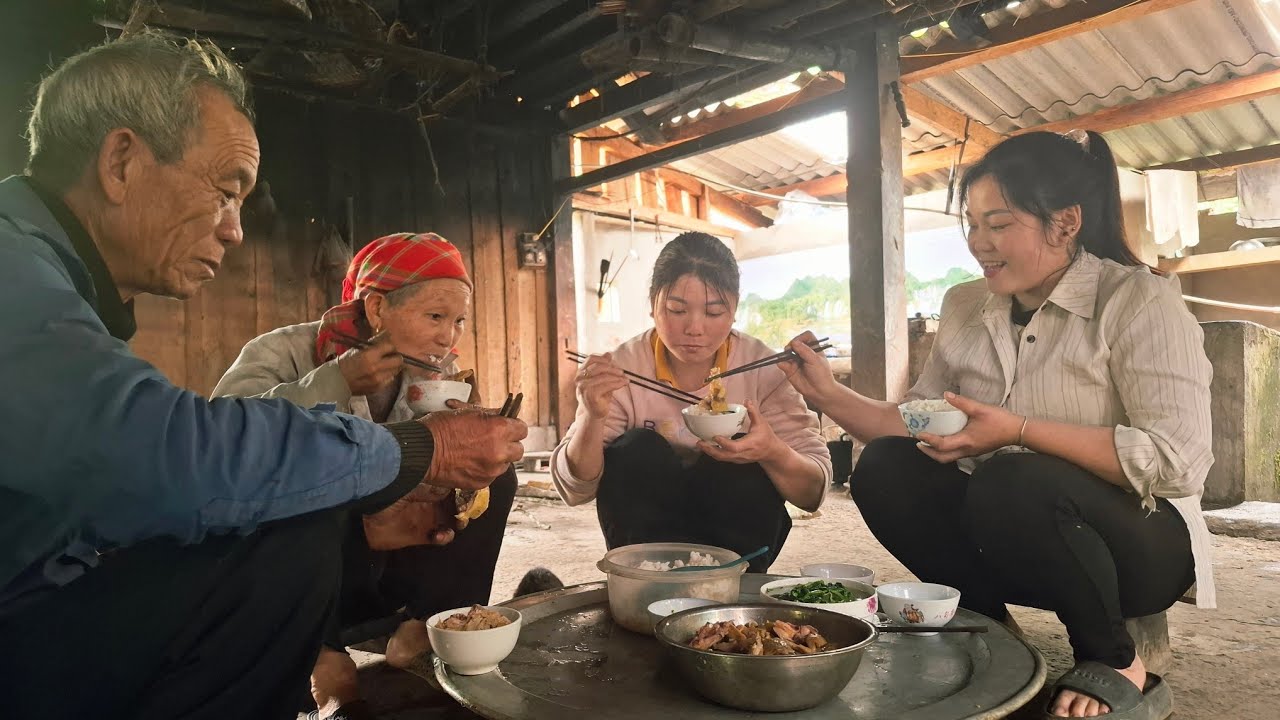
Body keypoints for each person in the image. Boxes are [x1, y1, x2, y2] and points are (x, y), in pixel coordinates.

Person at [0, 33, 526, 720]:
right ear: (121, 162)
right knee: (282, 527)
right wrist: (417, 451)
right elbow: (177, 456)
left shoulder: (50, 279)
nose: (234, 230)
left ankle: (414, 628)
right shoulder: (14, 274)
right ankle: (326, 655)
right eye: (226, 191)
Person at [781, 131, 1213, 720]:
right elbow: (914, 422)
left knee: (1014, 476)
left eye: (999, 224)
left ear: (1064, 224)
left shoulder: (1137, 300)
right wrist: (824, 392)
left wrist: (1019, 429)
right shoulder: (965, 306)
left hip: (1137, 546)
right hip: (1009, 534)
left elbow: (1178, 460)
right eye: (972, 224)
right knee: (885, 465)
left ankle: (1115, 660)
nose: (979, 244)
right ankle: (995, 632)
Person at [215, 232, 556, 716]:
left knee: (491, 476)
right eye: (435, 317)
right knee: (323, 471)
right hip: (306, 572)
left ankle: (424, 624)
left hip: (395, 557)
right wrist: (337, 380)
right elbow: (224, 440)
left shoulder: (434, 373)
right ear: (376, 310)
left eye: (458, 321)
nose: (448, 337)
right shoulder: (284, 351)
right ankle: (322, 659)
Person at [551, 232, 831, 571]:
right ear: (653, 304)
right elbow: (575, 488)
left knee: (744, 457)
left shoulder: (764, 368)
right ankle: (646, 582)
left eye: (714, 312)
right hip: (646, 541)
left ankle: (735, 589)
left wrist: (772, 451)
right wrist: (592, 418)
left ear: (735, 310)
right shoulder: (622, 368)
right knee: (636, 449)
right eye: (676, 309)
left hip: (736, 540)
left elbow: (813, 491)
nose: (694, 328)